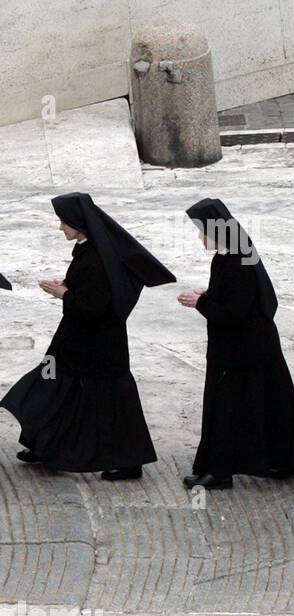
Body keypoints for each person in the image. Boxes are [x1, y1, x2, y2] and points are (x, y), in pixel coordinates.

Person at [1, 193, 174, 480]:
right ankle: (44, 444)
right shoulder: (90, 249)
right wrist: (68, 285)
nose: (60, 228)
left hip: (97, 345)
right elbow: (91, 290)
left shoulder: (96, 258)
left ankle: (130, 461)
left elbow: (95, 307)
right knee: (54, 385)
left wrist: (65, 293)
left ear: (78, 223)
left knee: (107, 400)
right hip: (78, 340)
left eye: (63, 222)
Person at [176, 198, 294, 490]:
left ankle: (220, 471)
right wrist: (210, 295)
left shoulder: (238, 261)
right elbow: (237, 298)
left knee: (227, 408)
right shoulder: (232, 255)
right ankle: (289, 459)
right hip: (252, 346)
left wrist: (200, 301)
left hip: (243, 350)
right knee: (267, 402)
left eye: (202, 231)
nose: (200, 237)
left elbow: (234, 313)